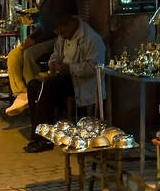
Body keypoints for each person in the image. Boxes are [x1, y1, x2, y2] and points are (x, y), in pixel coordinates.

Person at [24, 12, 106, 153]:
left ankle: (43, 139)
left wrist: (70, 69)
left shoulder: (90, 38)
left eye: (62, 30)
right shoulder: (64, 36)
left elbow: (95, 67)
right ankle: (37, 133)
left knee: (47, 87)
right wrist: (53, 63)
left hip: (80, 83)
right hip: (63, 77)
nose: (60, 34)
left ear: (70, 23)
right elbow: (56, 53)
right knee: (33, 85)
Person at [5, 0, 76, 116]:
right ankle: (22, 93)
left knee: (29, 54)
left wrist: (35, 41)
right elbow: (42, 25)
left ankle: (35, 92)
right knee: (14, 55)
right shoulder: (44, 1)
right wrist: (31, 38)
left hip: (56, 37)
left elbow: (55, 27)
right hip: (41, 37)